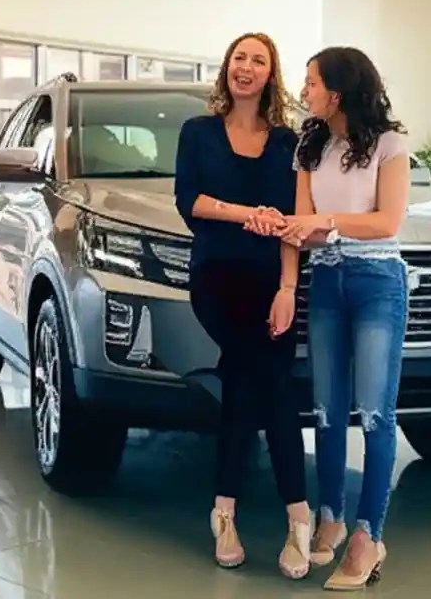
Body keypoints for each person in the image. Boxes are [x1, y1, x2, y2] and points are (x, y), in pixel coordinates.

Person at [253, 46, 410, 590]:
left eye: (312, 82)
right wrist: (286, 268)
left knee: (374, 413)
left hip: (376, 284)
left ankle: (368, 534)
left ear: (338, 91)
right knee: (325, 410)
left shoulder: (390, 144)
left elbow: (387, 223)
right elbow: (303, 227)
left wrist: (324, 221)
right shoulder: (310, 146)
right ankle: (331, 518)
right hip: (326, 283)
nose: (306, 91)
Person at [172, 32, 314, 580]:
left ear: (270, 74)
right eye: (239, 58)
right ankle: (297, 517)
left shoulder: (288, 143)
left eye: (258, 60)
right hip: (217, 280)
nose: (246, 67)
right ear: (226, 69)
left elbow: (291, 223)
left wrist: (287, 289)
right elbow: (191, 201)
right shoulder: (198, 133)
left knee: (248, 379)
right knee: (268, 378)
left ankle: (224, 512)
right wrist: (246, 212)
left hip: (269, 284)